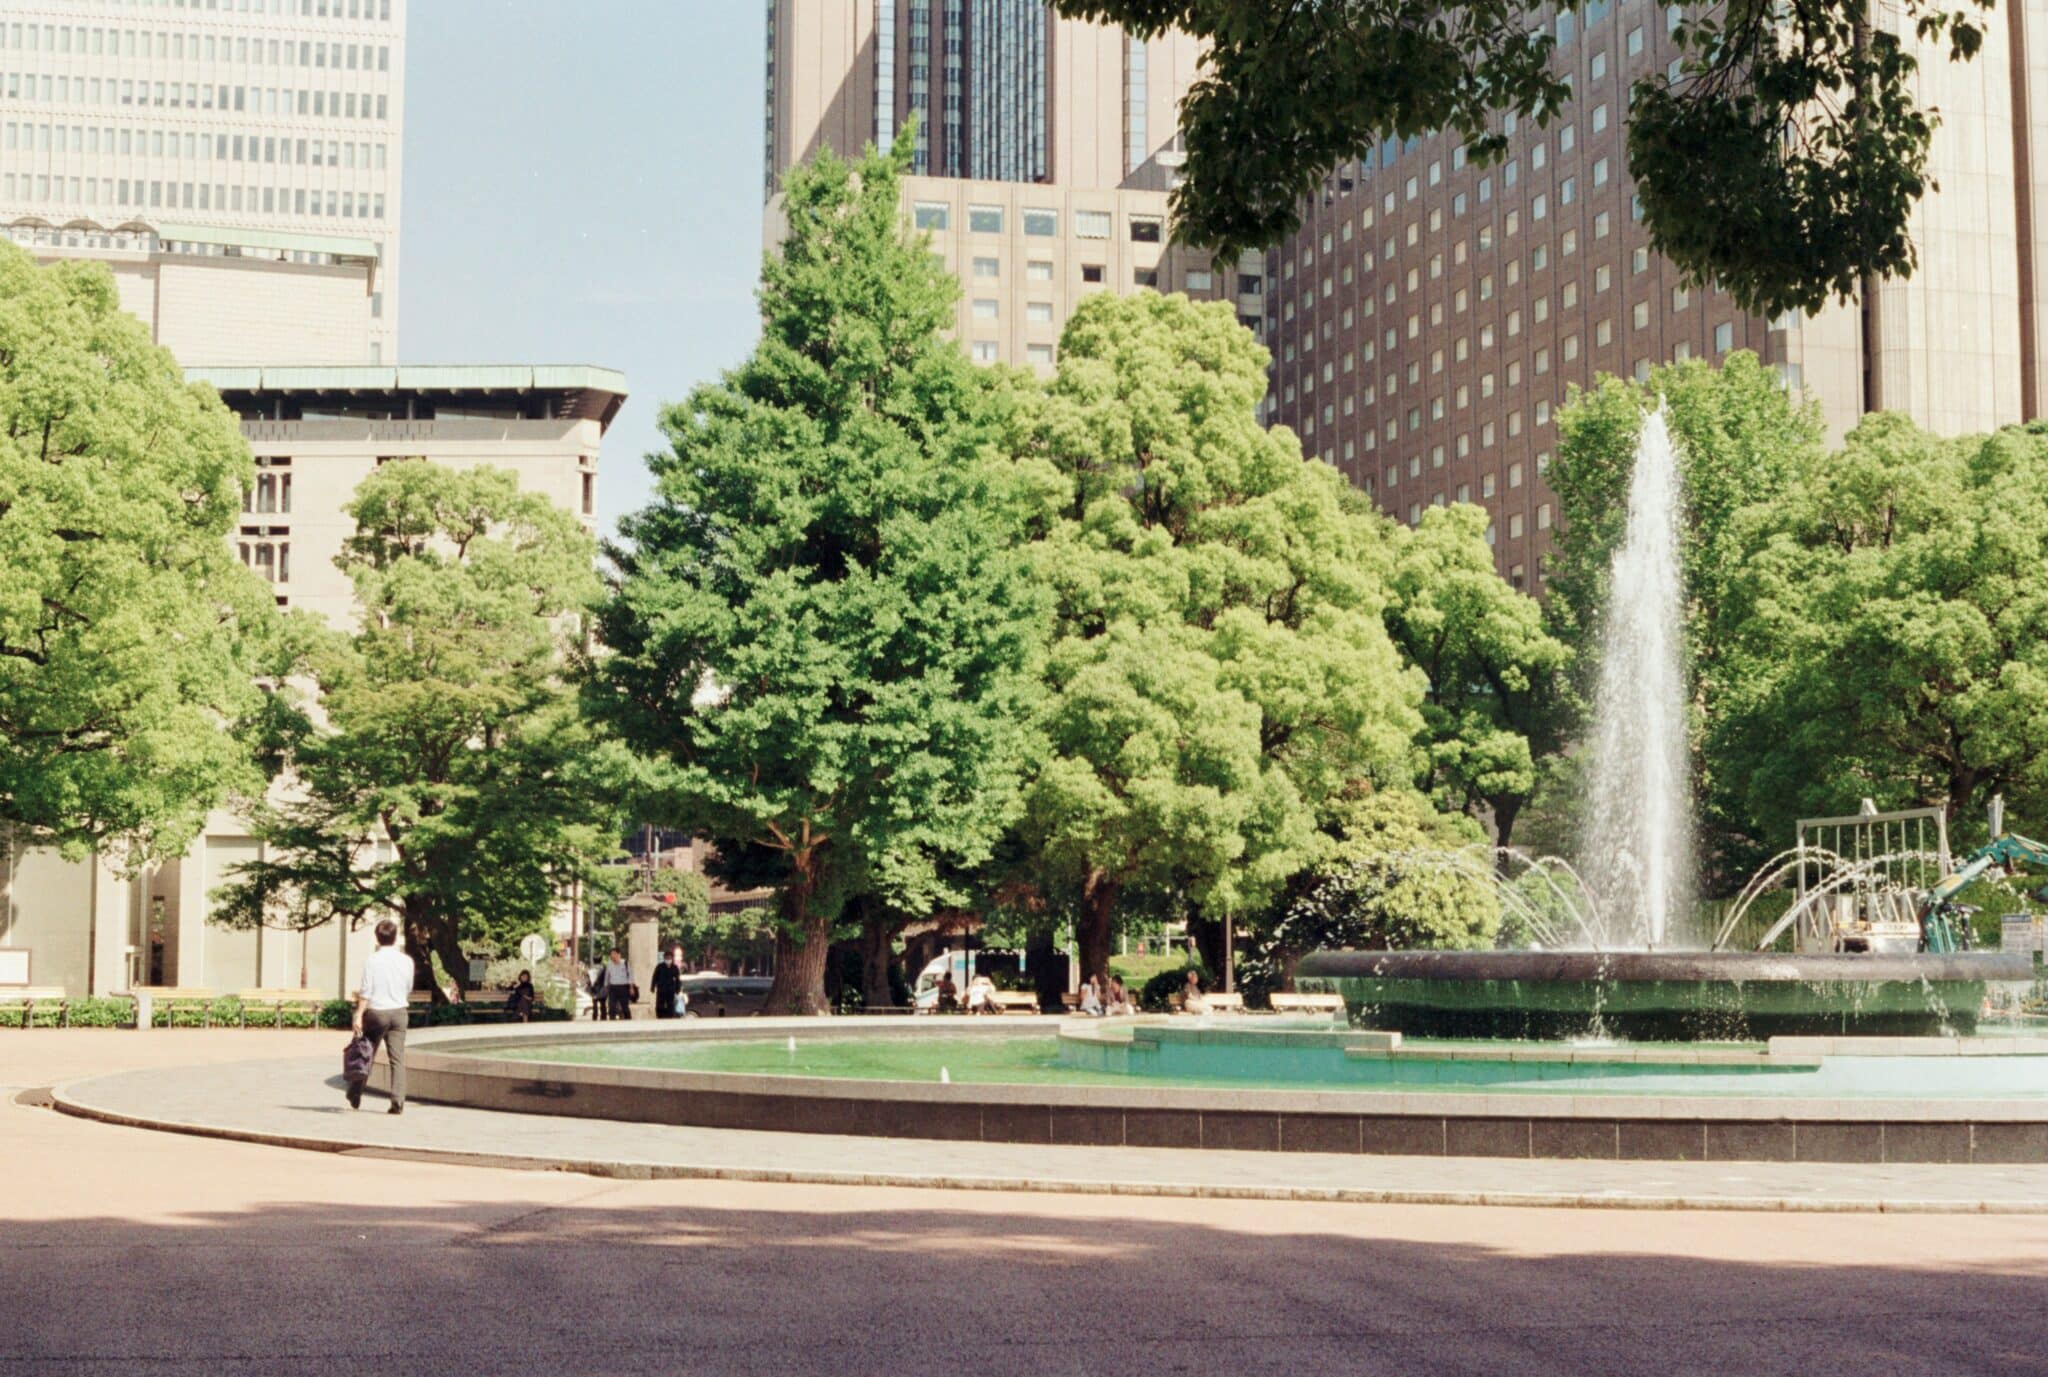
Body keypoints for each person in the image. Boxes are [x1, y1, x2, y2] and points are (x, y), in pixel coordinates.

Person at [349, 919, 413, 1114]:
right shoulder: (406, 960)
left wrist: (359, 1014)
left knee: (366, 1053)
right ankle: (397, 1100)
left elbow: (366, 991)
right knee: (398, 1058)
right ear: (395, 938)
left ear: (377, 937)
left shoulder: (373, 960)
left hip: (377, 1012)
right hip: (400, 1011)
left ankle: (356, 1092)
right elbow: (408, 987)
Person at [652, 945, 685, 1019]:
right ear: (664, 958)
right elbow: (655, 977)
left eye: (669, 958)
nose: (668, 960)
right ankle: (660, 1016)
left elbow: (677, 979)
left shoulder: (674, 968)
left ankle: (670, 1016)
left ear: (672, 959)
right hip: (661, 989)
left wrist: (678, 989)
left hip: (670, 989)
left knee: (670, 1004)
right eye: (666, 958)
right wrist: (653, 987)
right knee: (659, 1004)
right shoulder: (660, 967)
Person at [604, 947, 635, 1020]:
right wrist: (606, 987)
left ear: (619, 954)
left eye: (614, 954)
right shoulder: (609, 964)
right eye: (611, 955)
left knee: (625, 1007)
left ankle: (629, 1021)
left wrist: (631, 988)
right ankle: (612, 1022)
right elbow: (607, 976)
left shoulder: (625, 963)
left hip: (623, 988)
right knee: (611, 1006)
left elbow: (630, 976)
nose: (612, 956)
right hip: (613, 988)